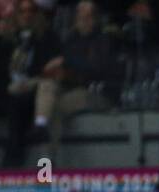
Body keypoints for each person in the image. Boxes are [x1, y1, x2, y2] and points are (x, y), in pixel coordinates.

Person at [44, 1, 119, 151]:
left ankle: (49, 155)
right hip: (71, 87)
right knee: (46, 93)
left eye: (88, 16)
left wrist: (67, 61)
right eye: (80, 15)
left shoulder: (104, 39)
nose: (83, 20)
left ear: (95, 18)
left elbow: (97, 69)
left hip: (98, 92)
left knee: (58, 106)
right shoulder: (72, 39)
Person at [0, 0, 60, 167]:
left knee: (44, 105)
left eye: (31, 10)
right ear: (16, 14)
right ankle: (13, 163)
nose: (27, 15)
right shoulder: (7, 38)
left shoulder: (47, 36)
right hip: (9, 91)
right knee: (16, 101)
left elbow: (52, 65)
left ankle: (43, 171)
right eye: (22, 11)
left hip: (37, 88)